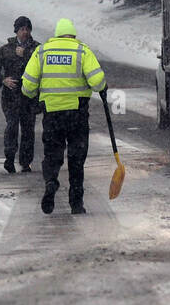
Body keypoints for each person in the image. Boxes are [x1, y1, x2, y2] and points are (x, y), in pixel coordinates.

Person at [21, 17, 108, 215]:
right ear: (73, 35)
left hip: (52, 115)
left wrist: (35, 94)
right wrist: (102, 87)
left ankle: (51, 181)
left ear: (56, 35)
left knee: (52, 154)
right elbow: (97, 81)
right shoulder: (81, 51)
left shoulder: (42, 52)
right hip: (77, 114)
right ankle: (76, 203)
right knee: (76, 159)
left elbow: (27, 86)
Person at [0, 16, 40, 174]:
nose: (25, 32)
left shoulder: (37, 49)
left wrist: (26, 54)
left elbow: (44, 64)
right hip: (10, 96)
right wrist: (2, 80)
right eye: (22, 29)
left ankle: (25, 162)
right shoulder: (6, 49)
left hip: (30, 97)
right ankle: (9, 159)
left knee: (28, 130)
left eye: (27, 29)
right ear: (16, 31)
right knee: (11, 127)